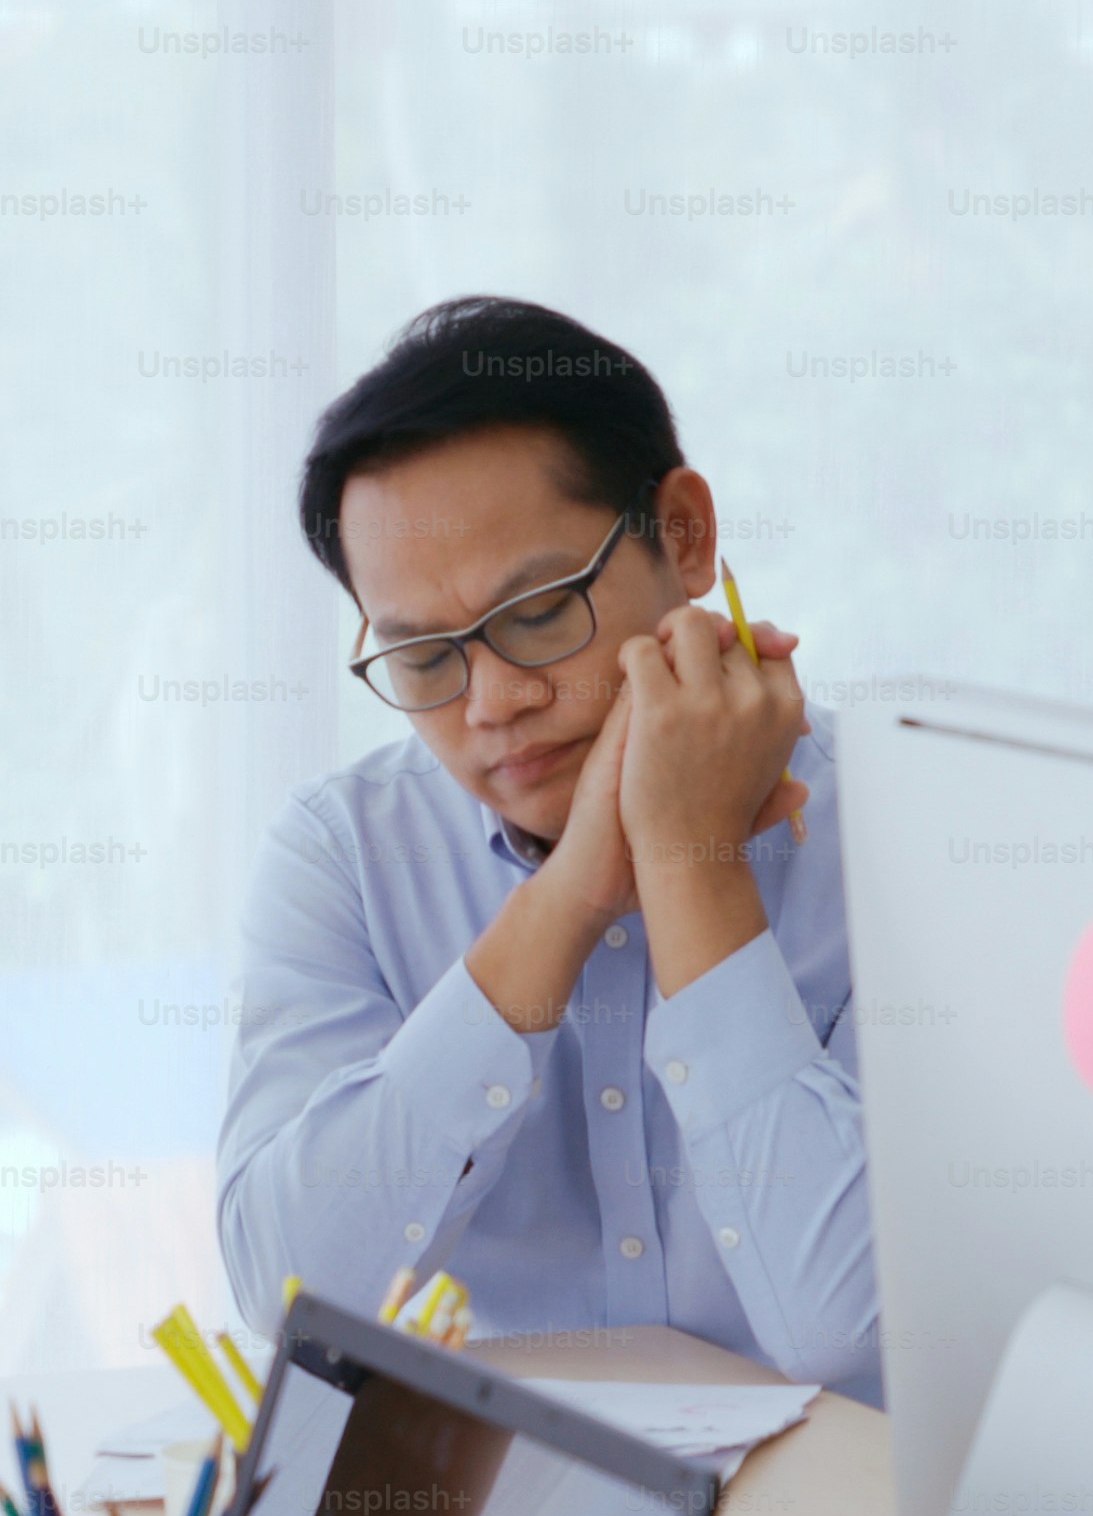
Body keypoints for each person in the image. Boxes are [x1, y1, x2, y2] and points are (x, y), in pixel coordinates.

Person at [216, 299, 876, 1397]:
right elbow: (292, 1304)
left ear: (684, 534)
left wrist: (690, 863)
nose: (496, 704)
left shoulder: (904, 842)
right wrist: (566, 902)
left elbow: (852, 1331)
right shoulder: (343, 856)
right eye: (424, 659)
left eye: (537, 614)